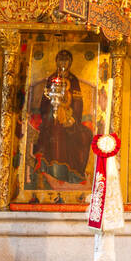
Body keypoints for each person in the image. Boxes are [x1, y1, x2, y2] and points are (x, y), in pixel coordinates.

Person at [32, 49, 92, 183]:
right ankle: (54, 170)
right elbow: (45, 101)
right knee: (55, 131)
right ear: (56, 62)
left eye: (66, 60)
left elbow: (78, 102)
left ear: (70, 62)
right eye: (60, 60)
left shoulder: (73, 80)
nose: (63, 62)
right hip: (51, 117)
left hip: (70, 118)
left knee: (84, 136)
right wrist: (51, 112)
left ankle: (73, 173)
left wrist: (73, 119)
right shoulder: (52, 78)